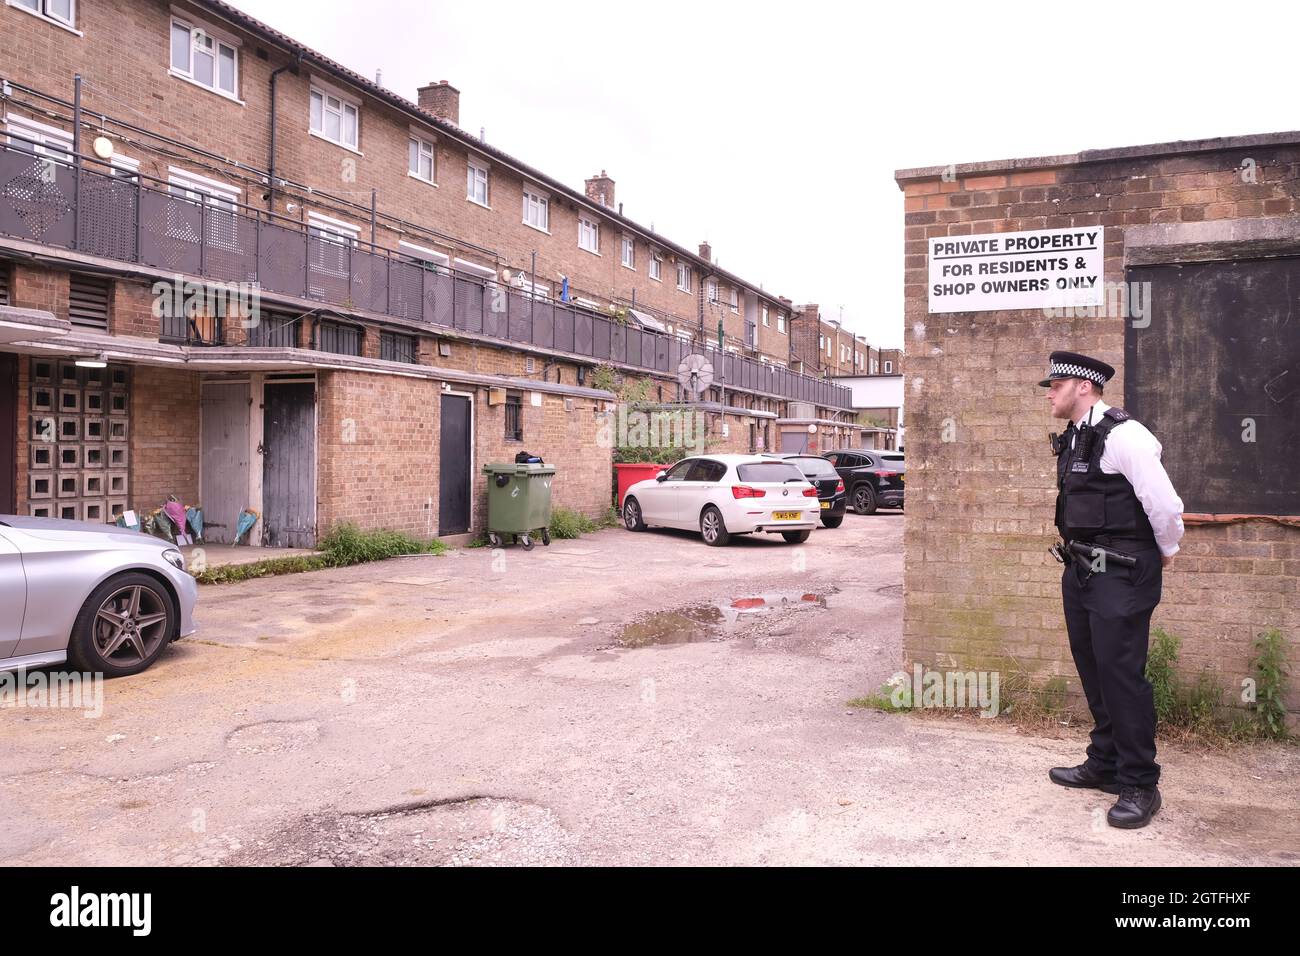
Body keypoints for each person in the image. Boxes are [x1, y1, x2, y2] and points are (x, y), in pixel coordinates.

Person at [1040, 351, 1184, 829]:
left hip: (1121, 571)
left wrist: (1166, 550)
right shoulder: (1075, 436)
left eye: (1056, 385)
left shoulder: (1125, 435)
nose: (1050, 393)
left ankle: (1140, 782)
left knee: (1122, 675)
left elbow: (1164, 504)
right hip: (1081, 569)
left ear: (1083, 386)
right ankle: (1105, 762)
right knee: (1094, 669)